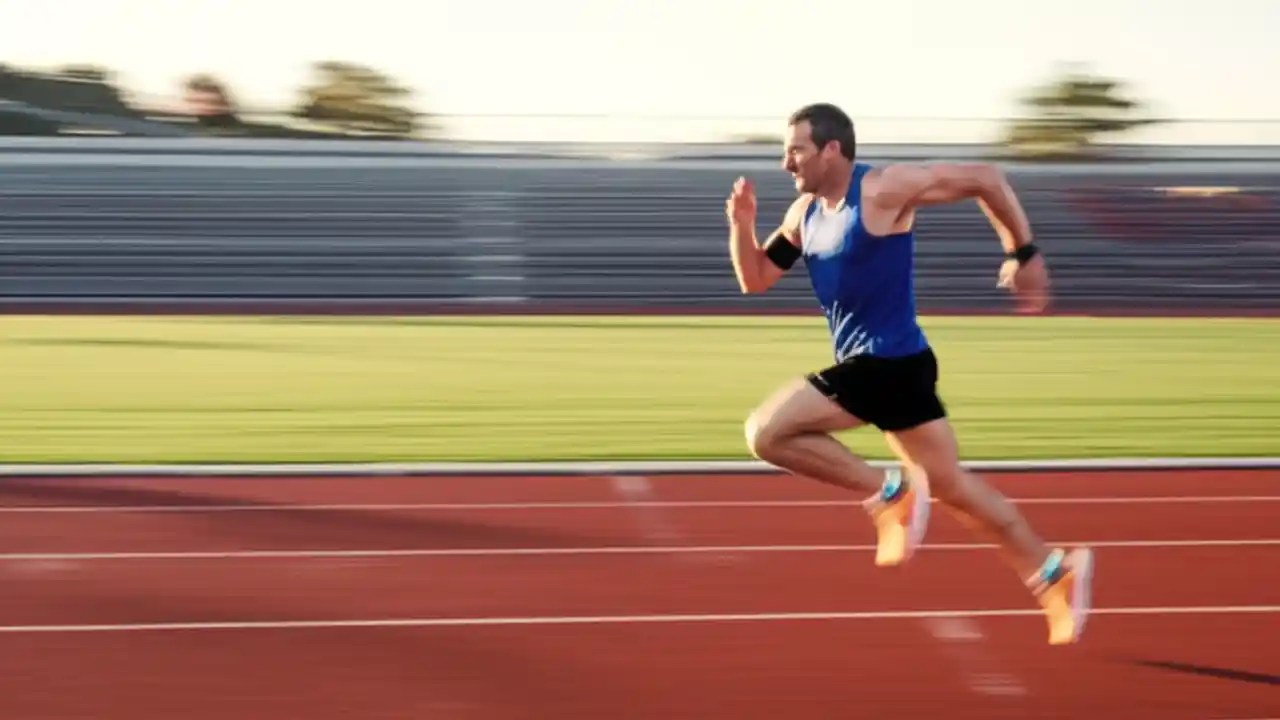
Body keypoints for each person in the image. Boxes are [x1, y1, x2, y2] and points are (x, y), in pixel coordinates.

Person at [725, 102, 1093, 646]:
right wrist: (742, 225)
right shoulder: (803, 215)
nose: (787, 163)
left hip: (884, 364)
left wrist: (1024, 252)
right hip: (900, 371)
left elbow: (986, 178)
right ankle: (1052, 573)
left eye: (796, 150)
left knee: (767, 432)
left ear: (832, 149)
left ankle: (889, 491)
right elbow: (755, 278)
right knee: (954, 490)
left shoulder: (882, 189)